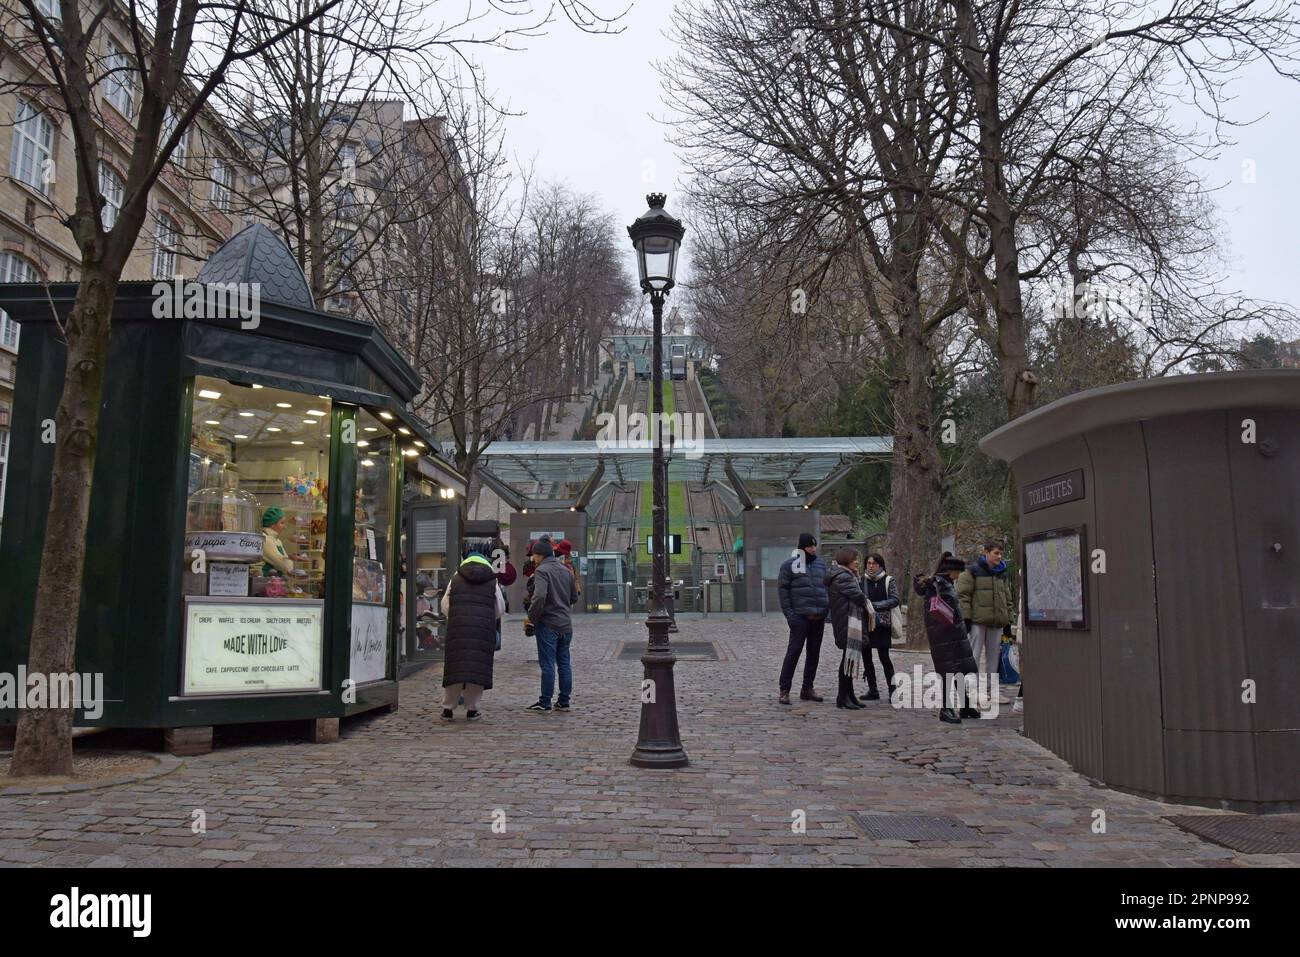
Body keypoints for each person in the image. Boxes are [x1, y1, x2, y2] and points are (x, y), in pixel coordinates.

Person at [439, 542, 505, 722]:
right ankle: (472, 709)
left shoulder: (456, 578)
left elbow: (445, 605)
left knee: (455, 668)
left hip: (458, 628)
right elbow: (499, 608)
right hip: (482, 631)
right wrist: (487, 617)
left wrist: (456, 616)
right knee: (477, 669)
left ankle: (448, 708)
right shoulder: (493, 580)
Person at [913, 552, 980, 724]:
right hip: (945, 635)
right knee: (949, 672)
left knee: (957, 670)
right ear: (952, 571)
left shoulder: (942, 583)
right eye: (959, 572)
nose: (960, 575)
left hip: (950, 634)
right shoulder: (939, 585)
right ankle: (946, 708)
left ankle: (964, 705)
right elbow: (942, 612)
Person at [523, 538, 578, 713]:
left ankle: (545, 701)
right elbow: (574, 597)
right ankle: (564, 701)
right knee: (564, 663)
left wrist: (532, 616)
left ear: (539, 555)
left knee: (547, 664)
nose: (533, 559)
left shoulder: (542, 571)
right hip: (565, 624)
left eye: (534, 555)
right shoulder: (565, 570)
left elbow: (539, 597)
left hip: (548, 623)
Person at [777, 532, 830, 705]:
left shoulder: (821, 565)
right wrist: (790, 615)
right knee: (794, 652)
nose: (813, 549)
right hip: (800, 617)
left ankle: (807, 688)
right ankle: (784, 689)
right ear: (802, 547)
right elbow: (783, 592)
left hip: (818, 617)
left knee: (814, 653)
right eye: (809, 546)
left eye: (814, 546)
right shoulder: (789, 566)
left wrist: (825, 610)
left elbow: (827, 588)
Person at [957, 541, 1014, 681]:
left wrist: (1008, 621)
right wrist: (967, 618)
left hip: (997, 623)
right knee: (973, 655)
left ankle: (991, 690)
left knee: (994, 657)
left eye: (1001, 553)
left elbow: (1007, 599)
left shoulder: (1002, 573)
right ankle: (970, 688)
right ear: (986, 552)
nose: (999, 556)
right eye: (996, 553)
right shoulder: (971, 571)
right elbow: (963, 596)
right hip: (977, 622)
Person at [825, 548, 875, 710]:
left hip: (849, 622)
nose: (858, 562)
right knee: (847, 660)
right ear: (846, 561)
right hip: (847, 624)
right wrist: (868, 603)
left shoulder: (846, 575)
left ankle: (849, 695)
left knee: (850, 659)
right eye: (855, 560)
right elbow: (858, 596)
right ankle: (842, 697)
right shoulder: (844, 577)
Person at [861, 553, 900, 701]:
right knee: (866, 657)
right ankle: (873, 690)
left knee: (884, 657)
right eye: (869, 563)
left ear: (880, 565)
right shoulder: (861, 580)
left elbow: (895, 600)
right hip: (866, 624)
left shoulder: (888, 580)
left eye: (874, 563)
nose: (871, 566)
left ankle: (893, 690)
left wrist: (874, 606)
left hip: (882, 624)